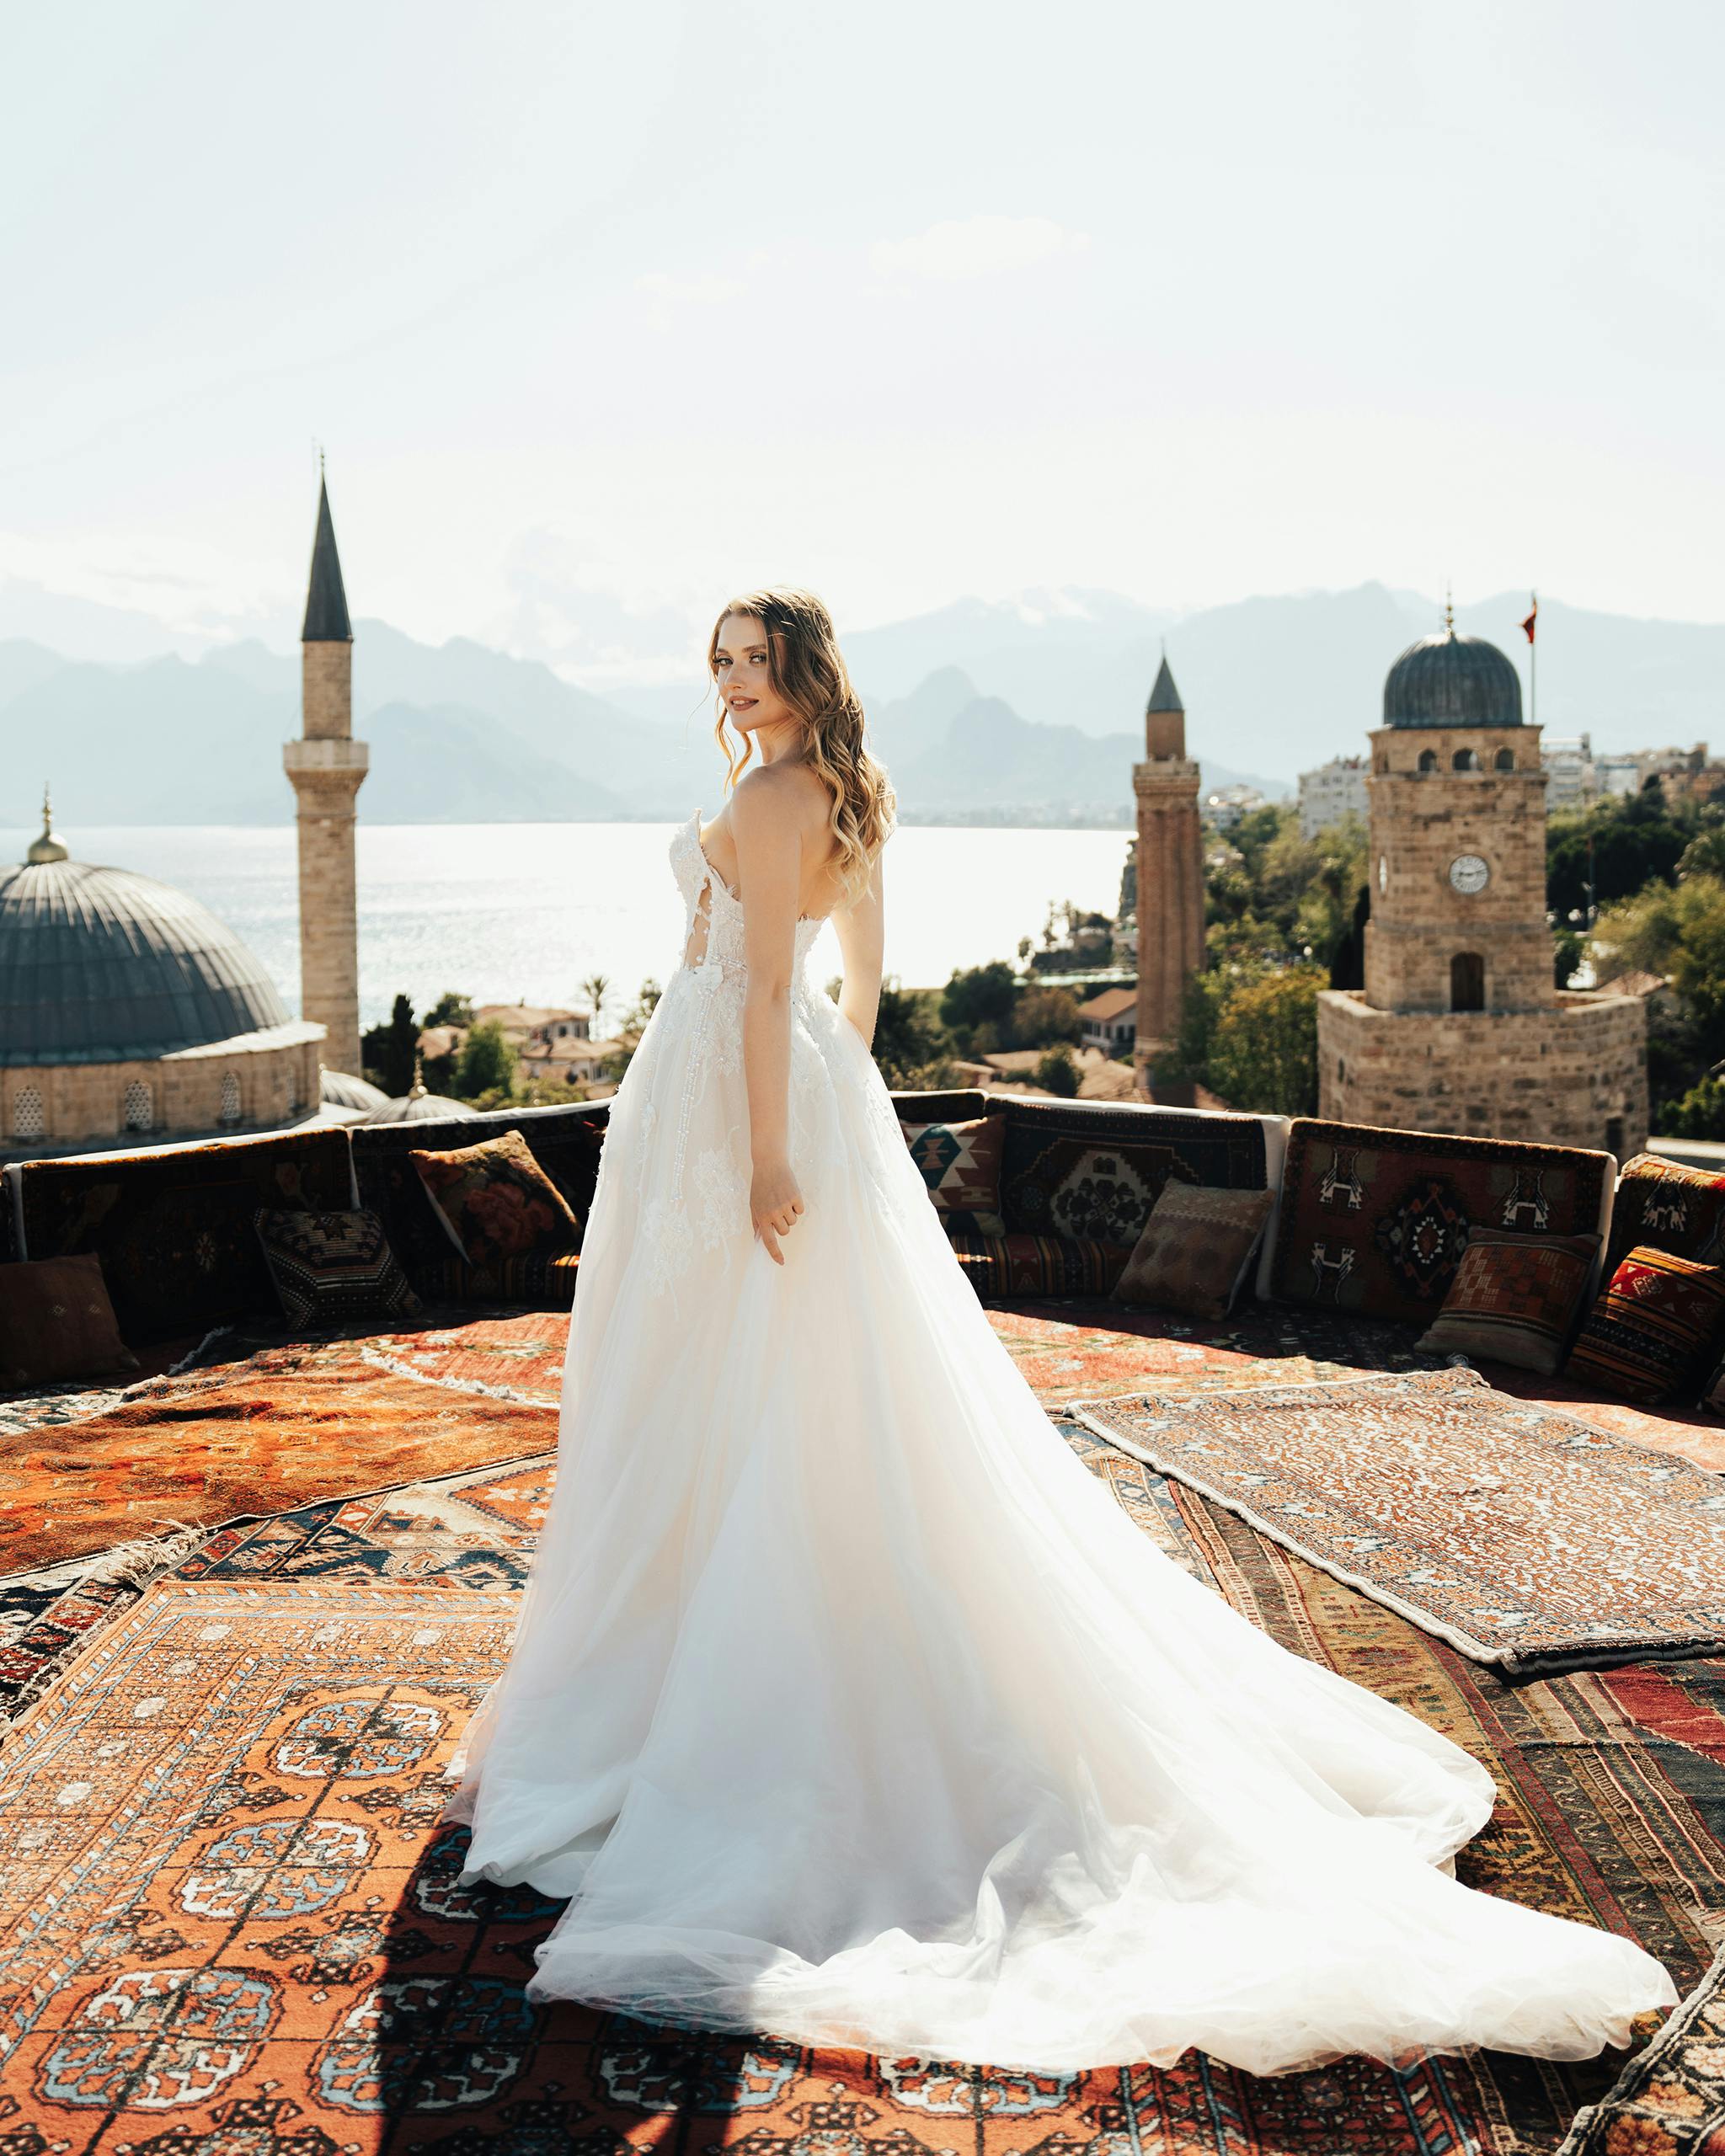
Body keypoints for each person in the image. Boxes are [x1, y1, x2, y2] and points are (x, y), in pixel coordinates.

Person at [446, 587, 1674, 2075]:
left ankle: (713, 1691)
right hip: (785, 1087)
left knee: (719, 1382)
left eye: (757, 663)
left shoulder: (774, 791)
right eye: (721, 662)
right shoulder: (844, 791)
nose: (735, 684)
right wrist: (833, 1089)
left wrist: (768, 1148)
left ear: (801, 674)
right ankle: (703, 1638)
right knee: (762, 1387)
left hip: (733, 1102)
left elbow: (770, 980)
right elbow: (862, 981)